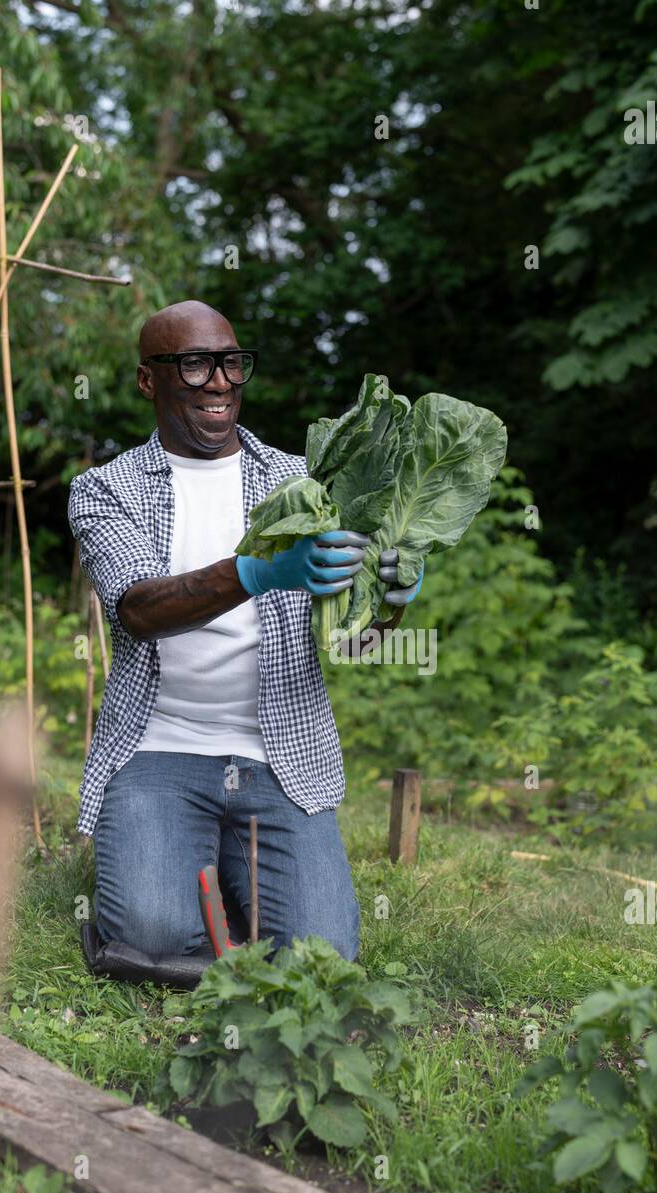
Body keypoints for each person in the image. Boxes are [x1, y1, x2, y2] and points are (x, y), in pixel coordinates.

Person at [68, 300, 423, 984]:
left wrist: (391, 603)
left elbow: (352, 645)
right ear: (149, 381)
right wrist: (256, 572)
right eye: (194, 364)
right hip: (158, 752)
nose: (219, 381)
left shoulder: (303, 484)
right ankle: (175, 860)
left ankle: (215, 873)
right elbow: (138, 609)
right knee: (152, 934)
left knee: (324, 959)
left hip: (277, 758)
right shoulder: (105, 489)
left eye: (232, 362)